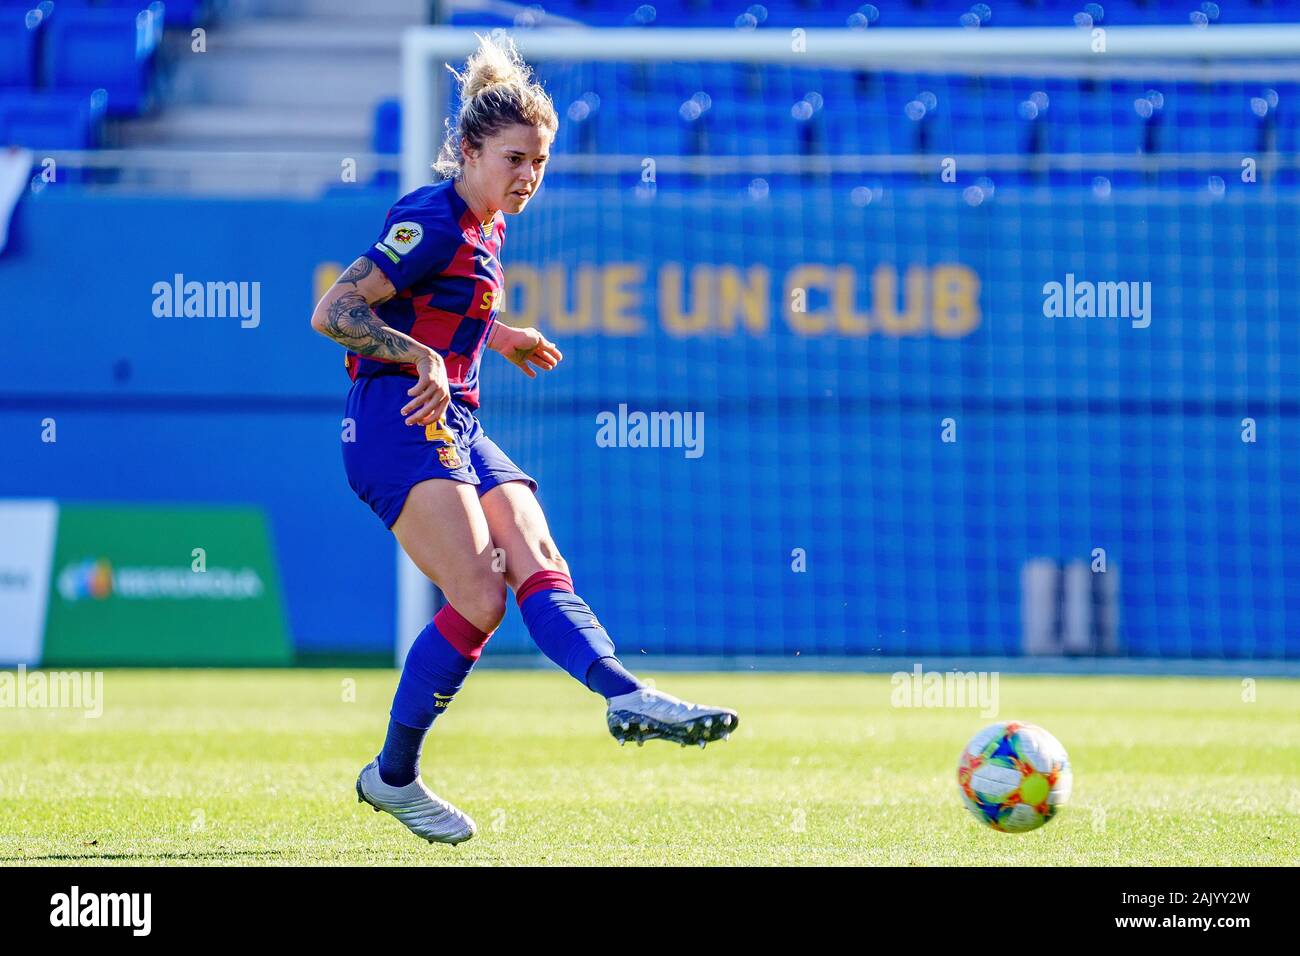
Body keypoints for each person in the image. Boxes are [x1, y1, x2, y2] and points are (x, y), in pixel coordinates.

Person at [309, 33, 738, 846]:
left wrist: (496, 335)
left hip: (456, 421)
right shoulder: (431, 216)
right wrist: (425, 355)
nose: (528, 176)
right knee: (479, 596)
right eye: (514, 158)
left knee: (538, 555)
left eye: (539, 161)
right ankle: (392, 777)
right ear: (468, 152)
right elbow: (334, 313)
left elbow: (441, 304)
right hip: (393, 423)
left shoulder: (487, 223)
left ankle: (624, 693)